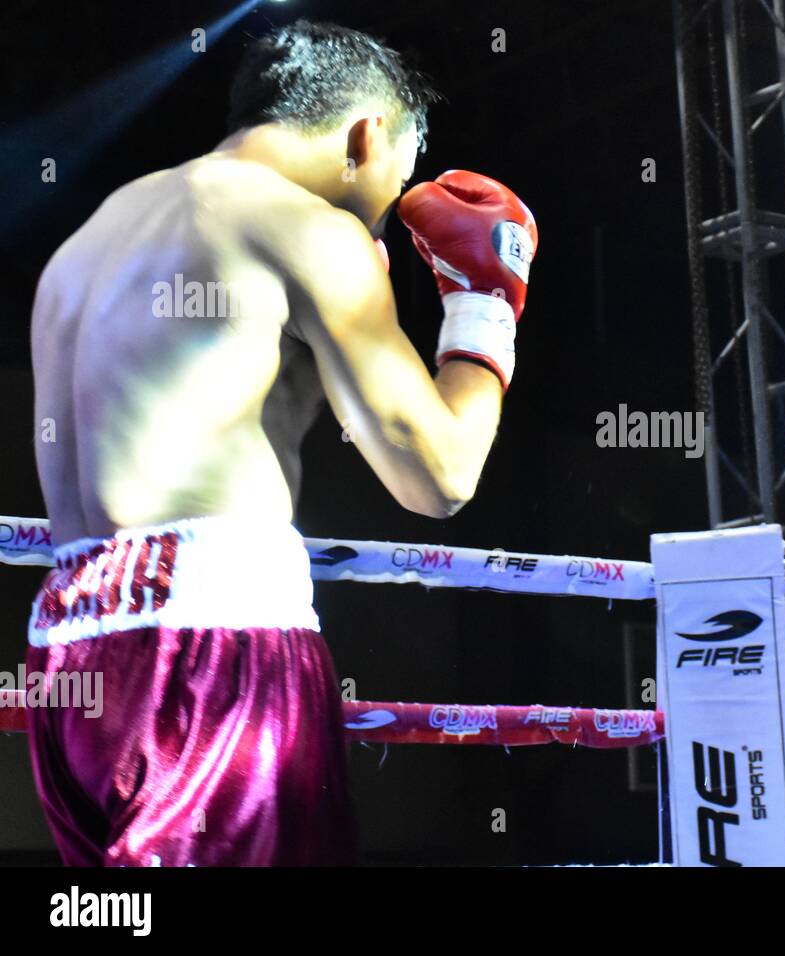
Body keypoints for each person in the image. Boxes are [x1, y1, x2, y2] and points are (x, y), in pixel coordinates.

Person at [26, 19, 537, 865]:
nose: (381, 213)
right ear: (366, 136)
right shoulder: (306, 229)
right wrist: (485, 306)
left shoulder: (87, 245)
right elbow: (441, 474)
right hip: (214, 657)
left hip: (69, 660)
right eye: (393, 179)